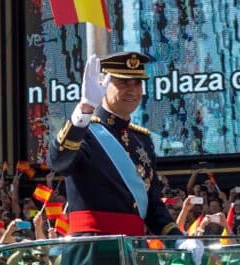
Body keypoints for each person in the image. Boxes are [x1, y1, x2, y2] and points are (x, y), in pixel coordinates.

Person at [49, 51, 180, 236]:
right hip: (94, 245)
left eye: (137, 83)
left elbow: (152, 204)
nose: (132, 90)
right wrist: (85, 108)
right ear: (103, 85)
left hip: (133, 246)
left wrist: (177, 238)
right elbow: (58, 162)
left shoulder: (142, 140)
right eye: (123, 82)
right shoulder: (84, 131)